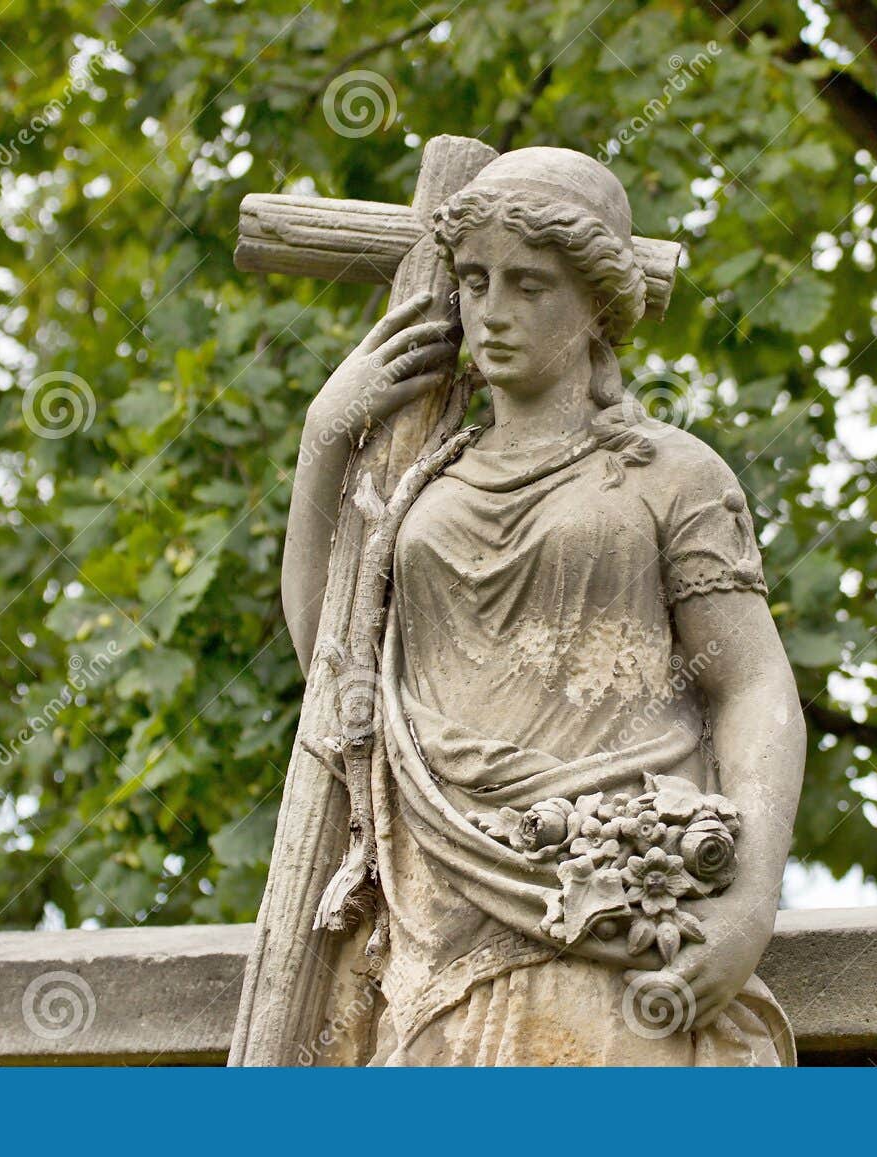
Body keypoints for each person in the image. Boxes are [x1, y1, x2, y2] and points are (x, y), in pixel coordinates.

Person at [283, 148, 806, 1065]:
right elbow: (332, 673)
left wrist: (751, 902)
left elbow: (752, 684)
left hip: (616, 895)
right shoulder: (421, 487)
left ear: (598, 300)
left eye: (529, 284)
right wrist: (324, 442)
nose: (492, 312)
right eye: (475, 281)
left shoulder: (670, 472)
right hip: (435, 903)